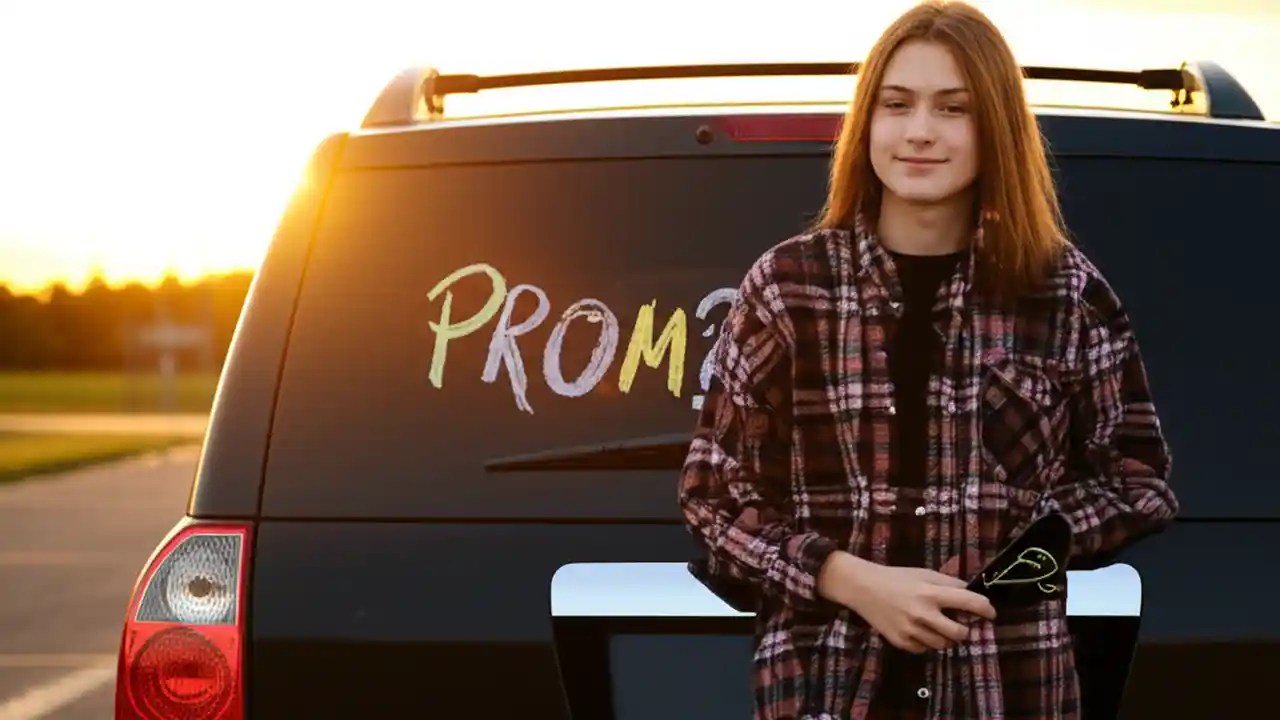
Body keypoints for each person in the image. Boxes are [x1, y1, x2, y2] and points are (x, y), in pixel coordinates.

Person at [676, 1, 1180, 718]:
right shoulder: (790, 289)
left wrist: (1018, 562)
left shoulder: (1062, 292)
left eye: (953, 109)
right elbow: (714, 495)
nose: (919, 131)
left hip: (1004, 688)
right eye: (897, 104)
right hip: (826, 687)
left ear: (996, 129)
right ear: (867, 122)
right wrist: (852, 580)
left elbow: (1137, 477)